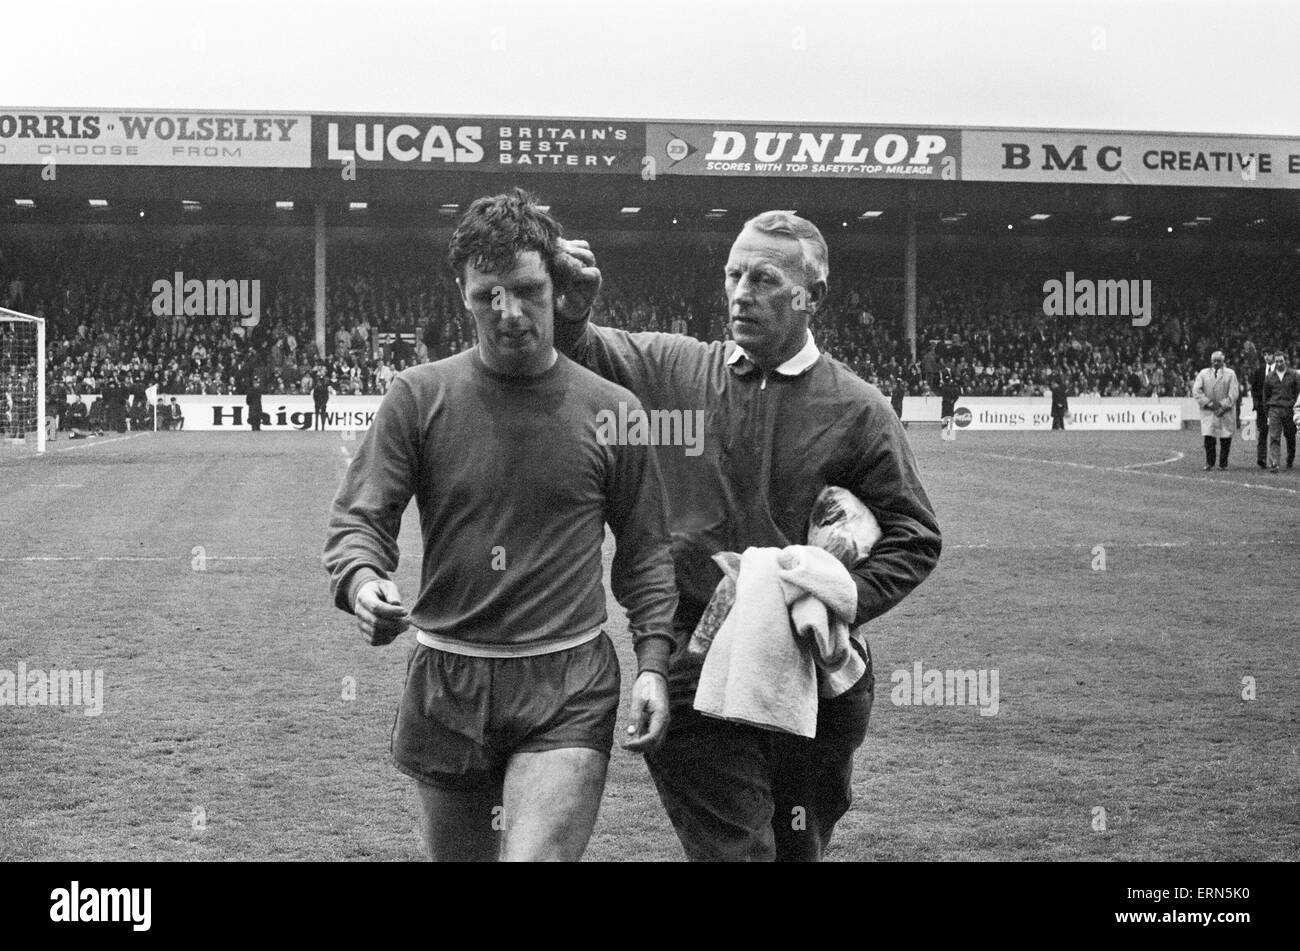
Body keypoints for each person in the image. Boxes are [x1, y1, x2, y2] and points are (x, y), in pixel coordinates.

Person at [555, 210, 941, 861]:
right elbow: (588, 351)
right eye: (734, 274)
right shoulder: (675, 370)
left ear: (811, 296)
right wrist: (570, 314)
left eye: (763, 278)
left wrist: (836, 594)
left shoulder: (857, 408)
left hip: (812, 667)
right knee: (735, 851)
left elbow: (914, 534)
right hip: (697, 660)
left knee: (798, 847)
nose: (740, 292)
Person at [323, 189, 676, 862]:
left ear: (559, 285)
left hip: (568, 682)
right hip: (450, 680)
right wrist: (363, 581)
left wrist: (654, 661)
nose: (509, 312)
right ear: (463, 293)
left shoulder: (615, 409)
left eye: (526, 289)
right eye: (489, 295)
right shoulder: (418, 396)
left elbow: (647, 550)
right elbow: (360, 519)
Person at [1191, 351, 1240, 470]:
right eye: (1214, 360)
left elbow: (1233, 394)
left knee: (1225, 438)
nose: (1216, 363)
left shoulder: (1231, 374)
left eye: (1219, 361)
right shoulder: (1203, 373)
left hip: (1225, 411)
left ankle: (1223, 464)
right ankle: (1209, 463)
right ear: (1211, 361)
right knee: (1209, 438)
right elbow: (1196, 391)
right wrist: (1209, 403)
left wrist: (1222, 406)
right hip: (1208, 411)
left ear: (1223, 361)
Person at [1263, 351, 1299, 472]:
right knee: (1274, 437)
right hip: (1274, 409)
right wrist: (1267, 412)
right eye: (1277, 361)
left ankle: (1290, 459)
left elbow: (1298, 392)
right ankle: (1274, 463)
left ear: (1286, 361)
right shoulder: (1269, 377)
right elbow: (1266, 396)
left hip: (1289, 409)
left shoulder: (1294, 375)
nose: (1279, 363)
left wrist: (1295, 406)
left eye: (1281, 361)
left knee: (1290, 436)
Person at [1251, 351, 1272, 469]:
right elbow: (1254, 389)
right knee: (1263, 433)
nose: (1266, 357)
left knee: (1277, 434)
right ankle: (1262, 458)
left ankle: (1282, 458)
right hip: (1262, 408)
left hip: (1276, 407)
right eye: (1264, 355)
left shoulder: (1280, 371)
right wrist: (1257, 403)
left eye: (1268, 354)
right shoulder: (1259, 371)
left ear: (1273, 355)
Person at [938, 369, 961, 441]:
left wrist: (953, 401)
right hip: (947, 405)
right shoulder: (950, 386)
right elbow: (956, 396)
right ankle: (947, 436)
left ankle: (947, 436)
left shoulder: (947, 386)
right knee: (948, 420)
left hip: (947, 405)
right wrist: (953, 401)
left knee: (946, 420)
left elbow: (956, 395)